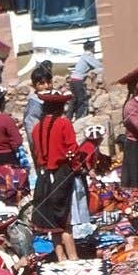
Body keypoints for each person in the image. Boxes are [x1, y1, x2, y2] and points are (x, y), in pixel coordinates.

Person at [30, 91, 85, 259]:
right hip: (62, 173)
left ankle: (61, 257)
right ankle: (73, 257)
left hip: (45, 175)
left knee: (52, 221)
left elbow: (37, 154)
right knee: (65, 218)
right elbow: (72, 150)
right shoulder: (64, 124)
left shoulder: (36, 128)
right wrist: (78, 168)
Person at [68, 40, 101, 119]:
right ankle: (79, 119)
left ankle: (68, 118)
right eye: (94, 47)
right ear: (91, 48)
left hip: (73, 80)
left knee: (74, 101)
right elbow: (98, 66)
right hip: (78, 81)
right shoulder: (88, 56)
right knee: (82, 101)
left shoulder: (83, 56)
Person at [24, 62, 53, 144]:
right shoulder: (35, 104)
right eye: (42, 83)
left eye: (49, 82)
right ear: (34, 85)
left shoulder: (50, 98)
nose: (47, 86)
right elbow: (31, 130)